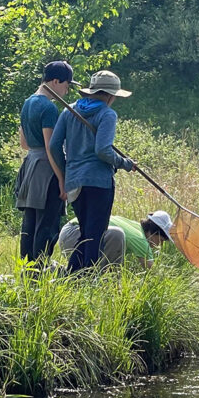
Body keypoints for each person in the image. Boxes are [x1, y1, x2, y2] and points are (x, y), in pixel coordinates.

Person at [49, 70, 137, 274]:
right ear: (110, 95)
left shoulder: (69, 111)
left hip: (74, 183)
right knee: (95, 235)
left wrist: (67, 170)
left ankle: (72, 278)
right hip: (99, 182)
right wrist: (124, 163)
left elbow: (54, 146)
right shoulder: (107, 114)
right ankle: (87, 280)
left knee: (85, 234)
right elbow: (103, 150)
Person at [15, 61, 76, 266]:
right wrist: (62, 179)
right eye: (67, 85)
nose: (67, 91)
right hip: (46, 170)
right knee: (47, 225)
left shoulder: (27, 102)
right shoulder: (48, 107)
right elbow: (52, 147)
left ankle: (26, 270)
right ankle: (38, 271)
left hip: (30, 165)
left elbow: (24, 143)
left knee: (29, 224)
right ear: (55, 81)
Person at [58, 211, 175, 269]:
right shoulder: (140, 239)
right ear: (154, 232)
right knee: (117, 235)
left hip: (70, 232)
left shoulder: (135, 227)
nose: (160, 244)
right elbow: (150, 270)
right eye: (161, 240)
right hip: (75, 236)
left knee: (84, 272)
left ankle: (57, 270)